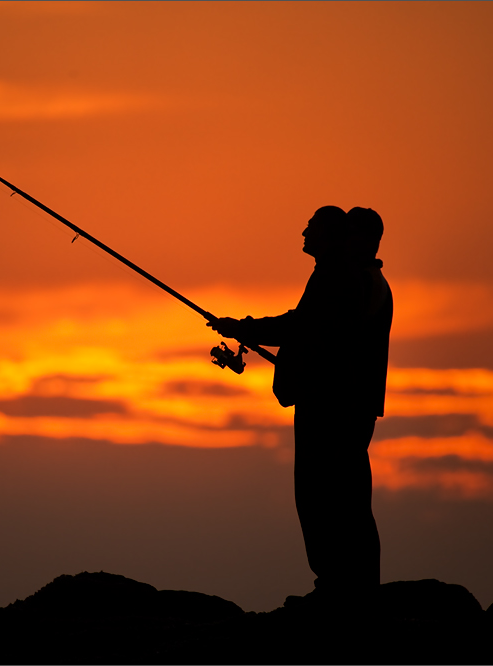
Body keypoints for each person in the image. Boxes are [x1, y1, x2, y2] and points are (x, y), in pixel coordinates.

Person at [208, 205, 392, 612]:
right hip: (350, 405)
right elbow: (318, 331)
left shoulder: (341, 277)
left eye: (313, 227)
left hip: (330, 405)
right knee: (348, 499)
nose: (305, 233)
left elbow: (303, 326)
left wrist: (244, 328)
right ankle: (353, 590)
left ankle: (337, 590)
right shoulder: (368, 281)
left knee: (320, 495)